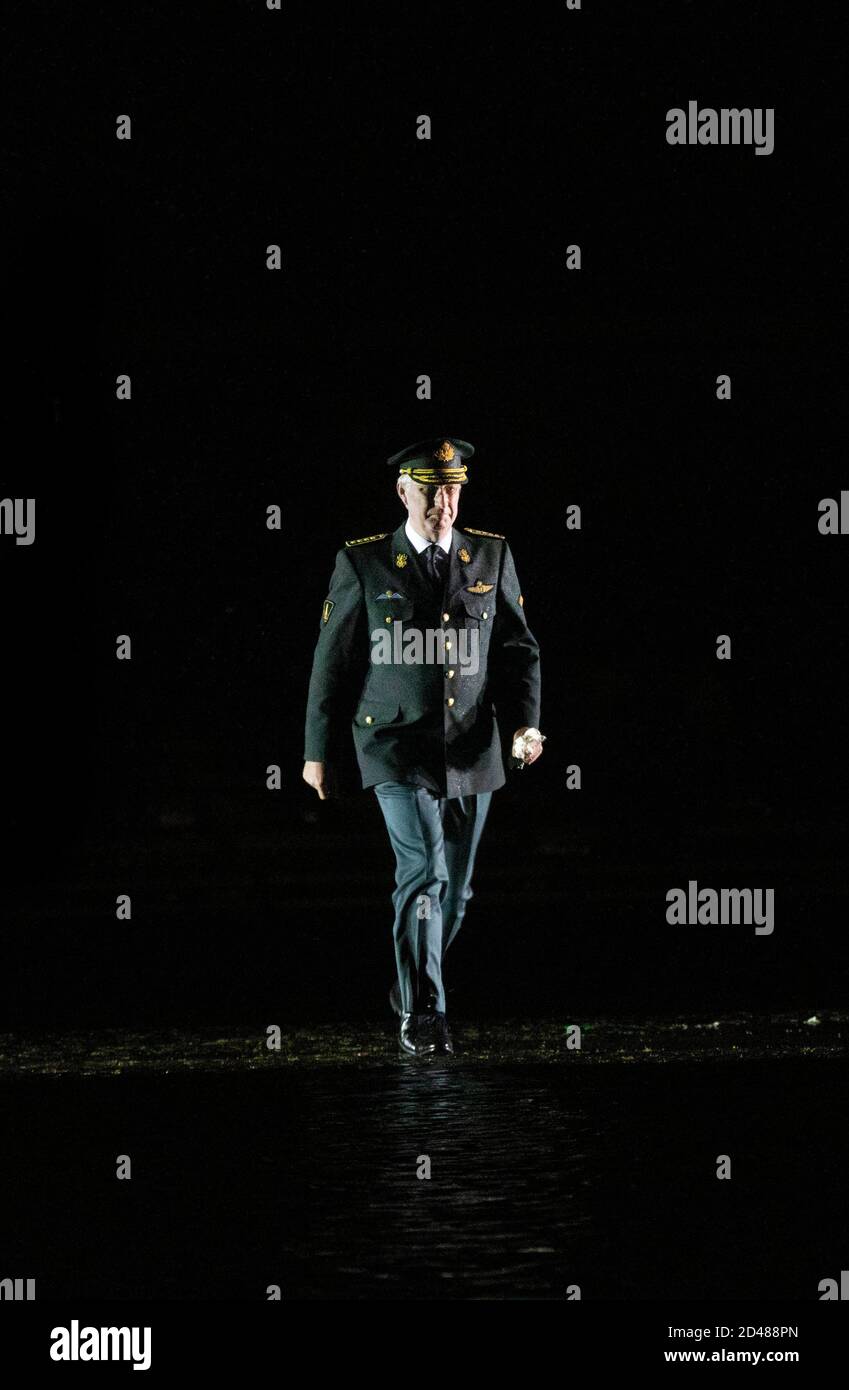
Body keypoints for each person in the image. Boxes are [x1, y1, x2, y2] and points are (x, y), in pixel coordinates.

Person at [303, 438, 543, 1058]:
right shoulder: (365, 563)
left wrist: (524, 726)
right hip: (393, 743)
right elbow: (331, 663)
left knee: (455, 893)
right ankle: (424, 1010)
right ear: (403, 492)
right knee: (424, 873)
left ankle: (411, 984)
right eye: (433, 491)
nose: (446, 502)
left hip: (471, 749)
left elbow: (517, 652)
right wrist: (316, 750)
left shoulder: (489, 554)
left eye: (454, 489)